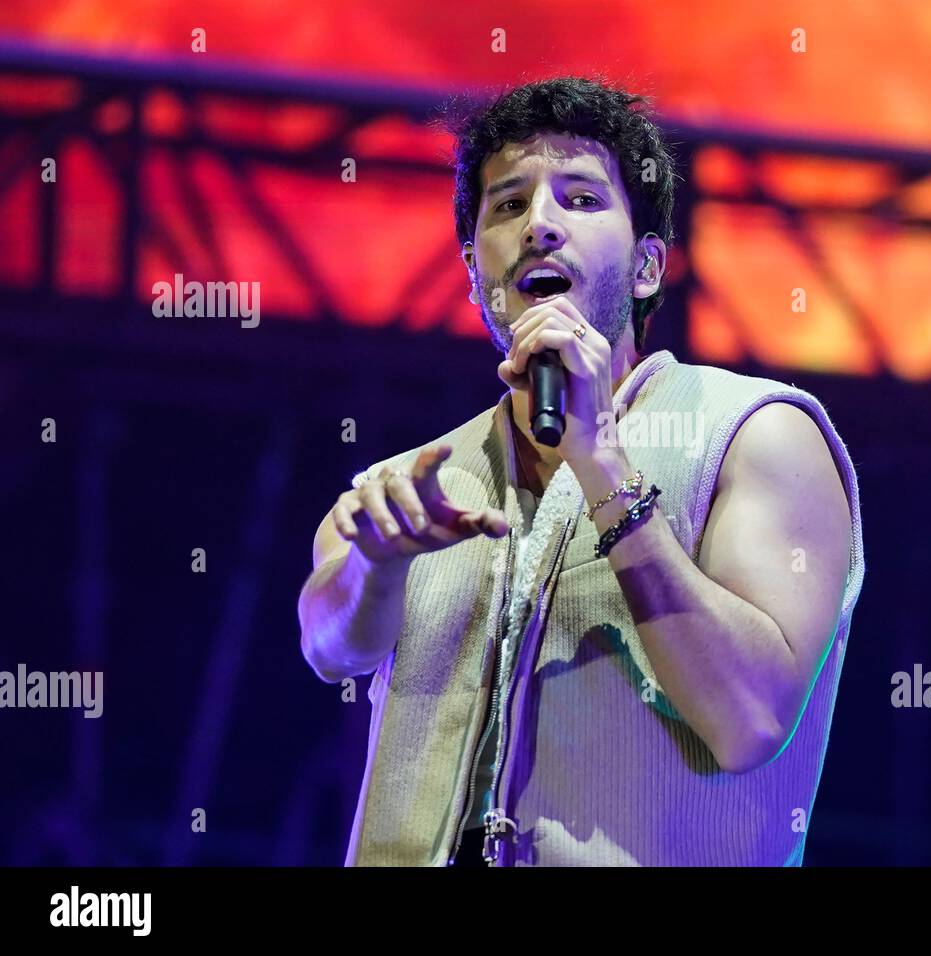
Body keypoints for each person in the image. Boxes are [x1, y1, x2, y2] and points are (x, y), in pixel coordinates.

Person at [297, 77, 865, 866]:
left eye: (582, 199)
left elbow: (749, 720)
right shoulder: (410, 484)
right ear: (473, 274)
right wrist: (375, 562)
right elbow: (328, 648)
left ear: (646, 268)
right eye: (508, 205)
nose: (539, 227)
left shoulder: (756, 433)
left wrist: (604, 469)